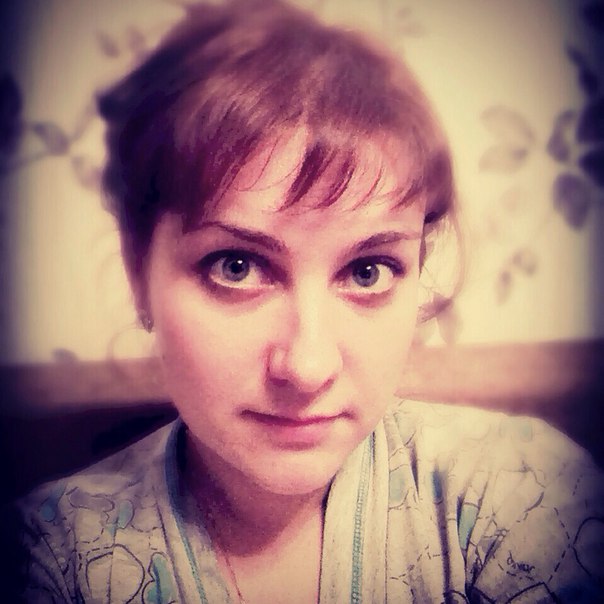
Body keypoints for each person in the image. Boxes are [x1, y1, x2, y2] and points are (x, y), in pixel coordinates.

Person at [4, 0, 603, 602]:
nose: (308, 367)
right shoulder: (52, 557)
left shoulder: (523, 496)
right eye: (236, 266)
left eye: (367, 271)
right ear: (140, 274)